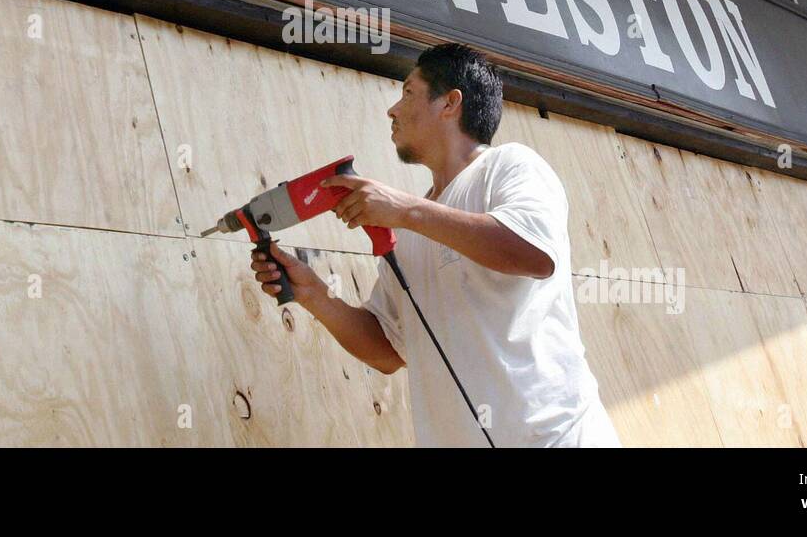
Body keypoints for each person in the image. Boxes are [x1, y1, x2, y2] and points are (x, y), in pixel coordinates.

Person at [251, 42, 620, 447]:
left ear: (450, 103)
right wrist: (314, 294)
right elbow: (387, 350)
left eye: (408, 92)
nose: (392, 109)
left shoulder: (509, 166)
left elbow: (531, 252)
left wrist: (406, 210)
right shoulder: (411, 229)